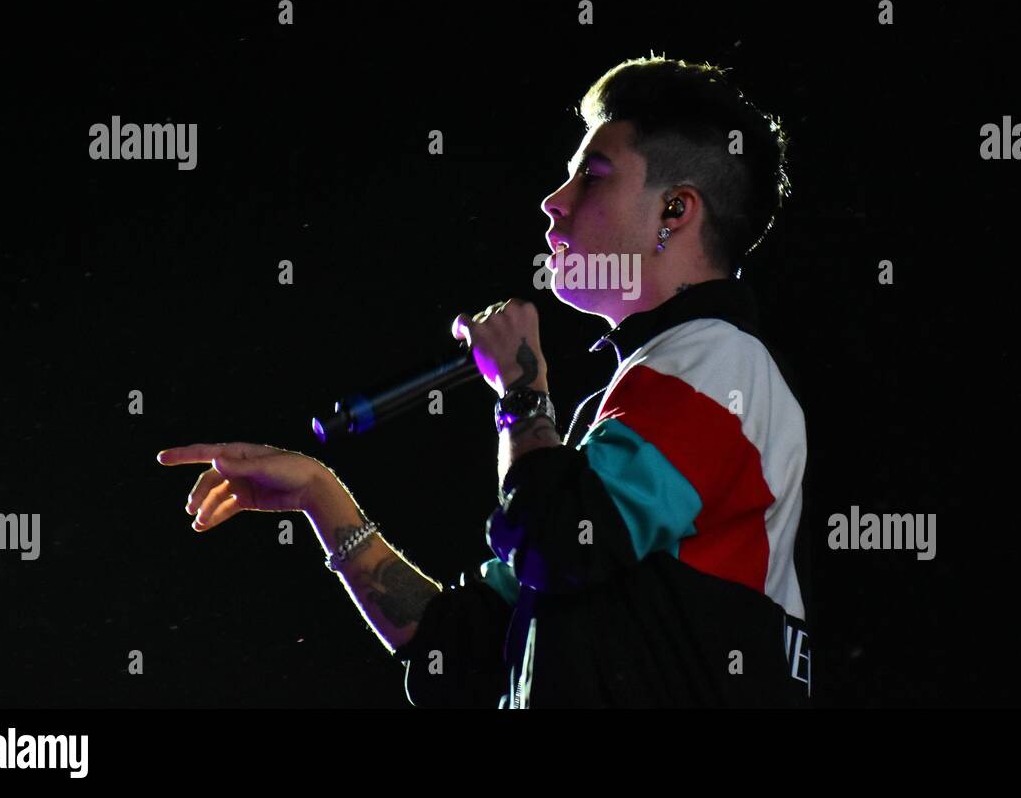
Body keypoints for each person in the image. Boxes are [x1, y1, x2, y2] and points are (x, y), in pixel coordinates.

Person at [157, 55, 811, 707]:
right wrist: (319, 497)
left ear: (674, 209)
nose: (553, 203)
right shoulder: (626, 414)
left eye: (592, 175)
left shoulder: (722, 367)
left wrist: (523, 393)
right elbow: (456, 650)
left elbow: (555, 543)